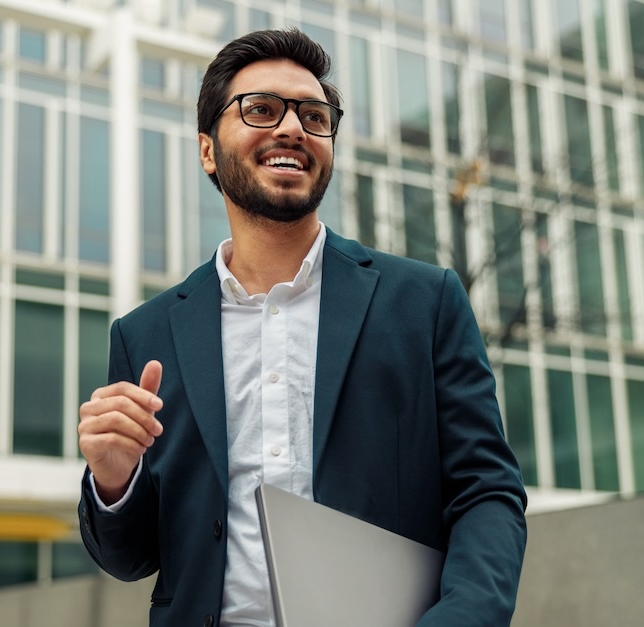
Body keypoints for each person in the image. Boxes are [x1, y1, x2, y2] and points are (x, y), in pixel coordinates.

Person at [77, 28, 527, 627]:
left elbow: (486, 493)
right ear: (208, 149)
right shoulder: (146, 335)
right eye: (261, 110)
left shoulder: (425, 303)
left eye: (314, 116)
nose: (292, 128)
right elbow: (132, 558)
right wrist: (113, 482)